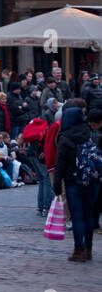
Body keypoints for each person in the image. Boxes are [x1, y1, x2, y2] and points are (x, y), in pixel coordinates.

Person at [53, 105, 99, 262]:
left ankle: (78, 250)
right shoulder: (91, 133)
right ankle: (89, 250)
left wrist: (57, 183)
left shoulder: (65, 137)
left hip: (72, 180)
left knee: (77, 216)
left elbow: (60, 163)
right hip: (91, 180)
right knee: (89, 215)